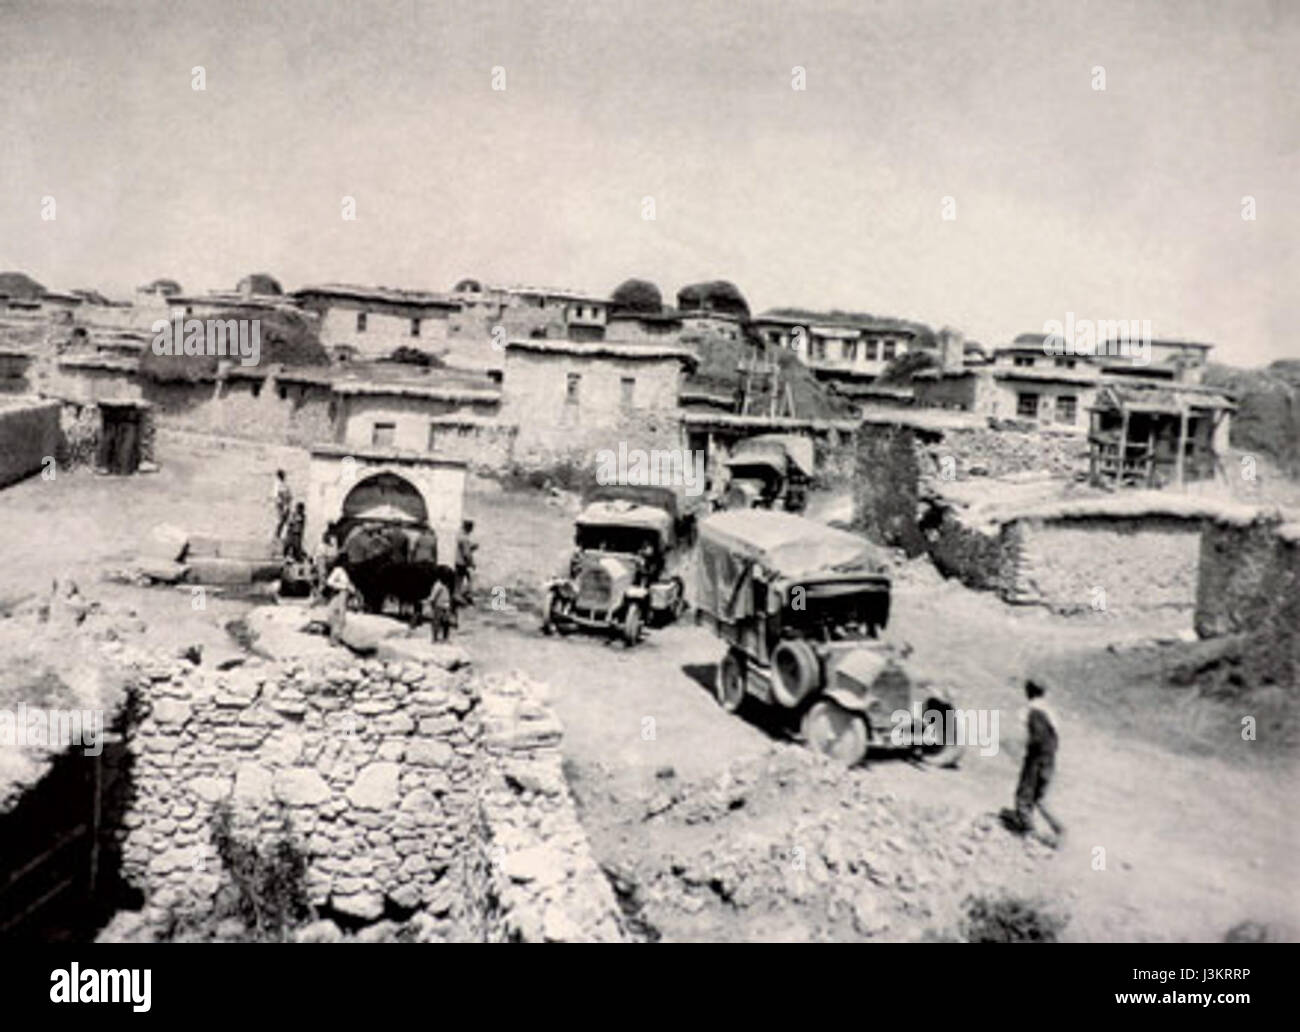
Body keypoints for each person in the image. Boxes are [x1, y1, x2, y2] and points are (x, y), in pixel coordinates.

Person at [1002, 678, 1065, 846]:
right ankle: (1059, 829)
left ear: (1027, 692)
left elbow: (1037, 738)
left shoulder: (1033, 711)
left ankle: (1029, 832)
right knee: (1041, 798)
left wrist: (1025, 753)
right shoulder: (1050, 711)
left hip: (1036, 759)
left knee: (1023, 796)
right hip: (1050, 758)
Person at [325, 563, 355, 646]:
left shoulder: (346, 572)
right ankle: (334, 640)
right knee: (339, 616)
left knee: (341, 616)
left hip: (345, 593)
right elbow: (329, 582)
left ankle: (336, 639)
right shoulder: (339, 570)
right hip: (341, 593)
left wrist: (350, 588)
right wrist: (343, 586)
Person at [425, 566, 454, 642]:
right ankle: (435, 638)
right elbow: (433, 595)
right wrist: (429, 602)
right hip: (439, 606)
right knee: (436, 622)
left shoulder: (445, 585)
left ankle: (445, 637)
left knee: (446, 622)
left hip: (446, 606)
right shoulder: (438, 585)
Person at [454, 518, 477, 606]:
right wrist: (472, 563)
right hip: (462, 563)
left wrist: (471, 547)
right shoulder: (464, 538)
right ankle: (463, 596)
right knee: (467, 579)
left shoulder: (460, 536)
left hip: (458, 561)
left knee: (463, 579)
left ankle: (463, 594)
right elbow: (466, 553)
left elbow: (464, 549)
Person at [272, 469, 292, 539]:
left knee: (285, 519)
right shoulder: (278, 485)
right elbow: (277, 496)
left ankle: (282, 534)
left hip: (285, 504)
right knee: (281, 519)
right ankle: (278, 534)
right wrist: (281, 504)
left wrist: (288, 502)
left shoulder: (284, 484)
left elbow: (289, 495)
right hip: (281, 504)